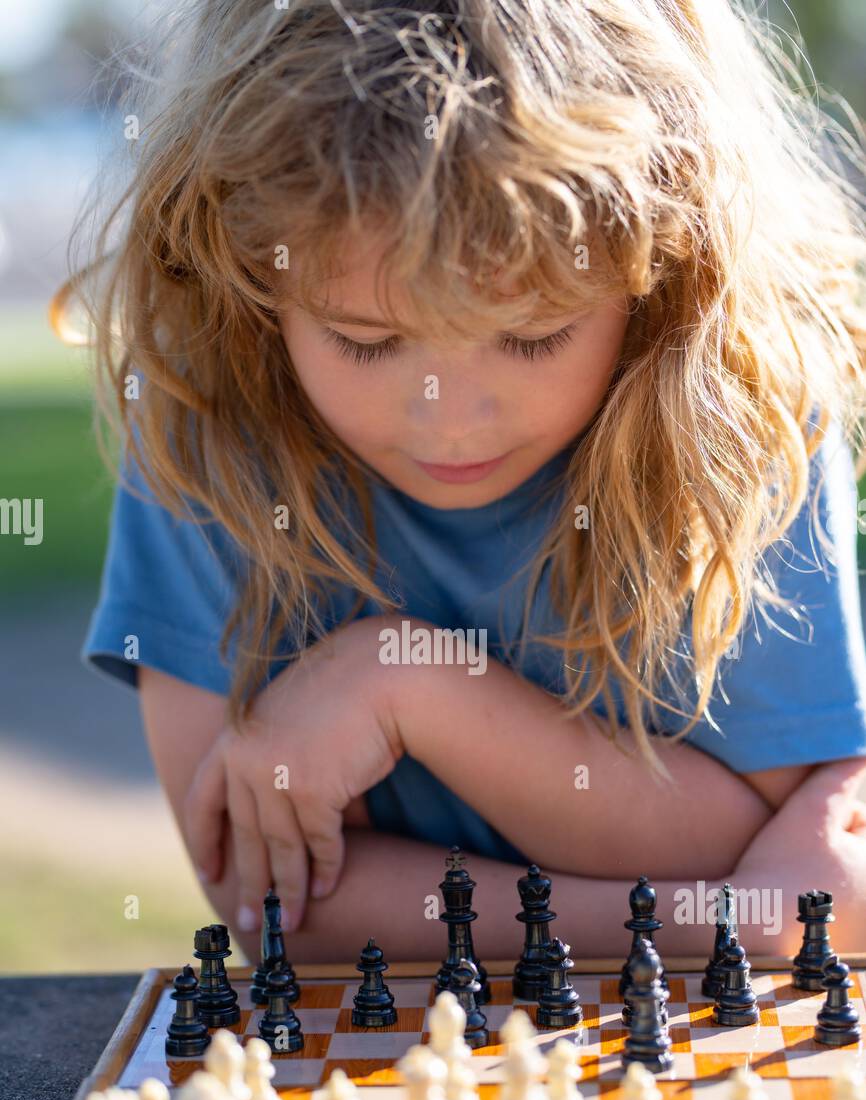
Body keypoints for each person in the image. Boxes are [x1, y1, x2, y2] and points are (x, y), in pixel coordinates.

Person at [57, 1, 866, 960]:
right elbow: (274, 899)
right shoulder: (206, 430)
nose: (449, 416)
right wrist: (720, 921)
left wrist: (408, 686)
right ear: (249, 279)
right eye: (365, 341)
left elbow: (776, 825)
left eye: (533, 336)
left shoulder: (741, 409)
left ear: (668, 268)